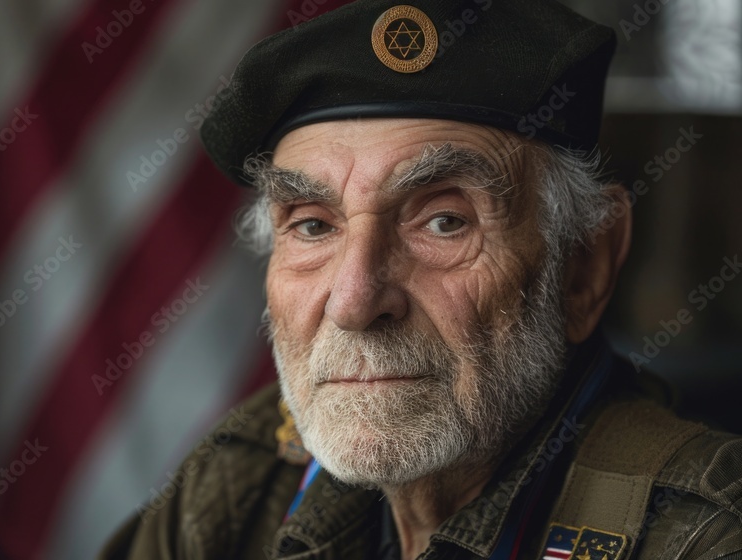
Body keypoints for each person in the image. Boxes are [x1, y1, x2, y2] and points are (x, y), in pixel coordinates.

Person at [100, 0, 742, 558]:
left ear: (584, 268)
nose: (353, 301)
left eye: (443, 222)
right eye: (314, 226)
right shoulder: (244, 478)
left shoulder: (702, 536)